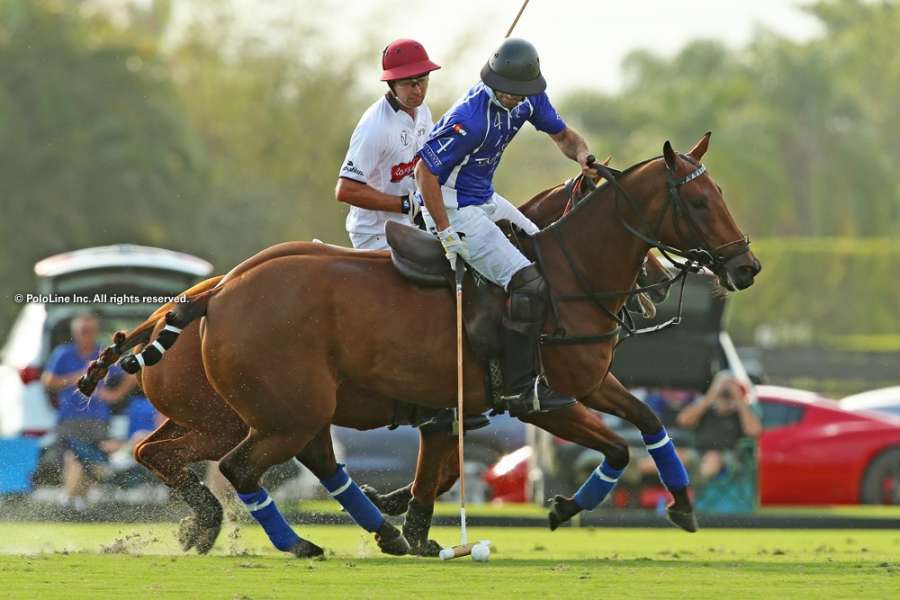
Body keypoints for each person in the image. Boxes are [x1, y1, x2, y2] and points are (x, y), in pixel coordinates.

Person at [414, 38, 596, 412]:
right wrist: (445, 230)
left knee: (547, 252)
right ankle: (517, 388)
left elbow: (563, 136)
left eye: (520, 91)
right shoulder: (470, 119)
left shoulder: (529, 99)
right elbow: (423, 174)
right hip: (450, 205)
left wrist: (582, 155)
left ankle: (543, 363)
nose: (513, 98)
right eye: (507, 91)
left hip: (484, 197)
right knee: (528, 282)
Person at [335, 38, 441, 249]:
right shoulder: (375, 126)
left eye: (422, 80)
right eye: (408, 83)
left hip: (412, 227)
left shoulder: (423, 112)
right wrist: (404, 204)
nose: (418, 90)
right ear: (391, 84)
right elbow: (346, 190)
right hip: (375, 234)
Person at [41, 313, 137, 509]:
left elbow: (132, 375)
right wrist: (78, 376)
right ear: (75, 333)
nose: (86, 335)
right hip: (69, 422)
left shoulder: (104, 354)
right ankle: (72, 503)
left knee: (89, 462)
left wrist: (115, 395)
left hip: (97, 422)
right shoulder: (63, 353)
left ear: (95, 333)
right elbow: (48, 382)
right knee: (74, 458)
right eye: (82, 331)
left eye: (90, 331)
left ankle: (74, 503)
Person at [676, 371, 762, 484]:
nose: (724, 394)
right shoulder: (705, 408)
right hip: (698, 452)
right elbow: (682, 420)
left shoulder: (741, 412)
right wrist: (711, 395)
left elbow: (754, 431)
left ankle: (691, 488)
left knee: (713, 457)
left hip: (729, 456)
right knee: (671, 455)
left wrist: (738, 398)